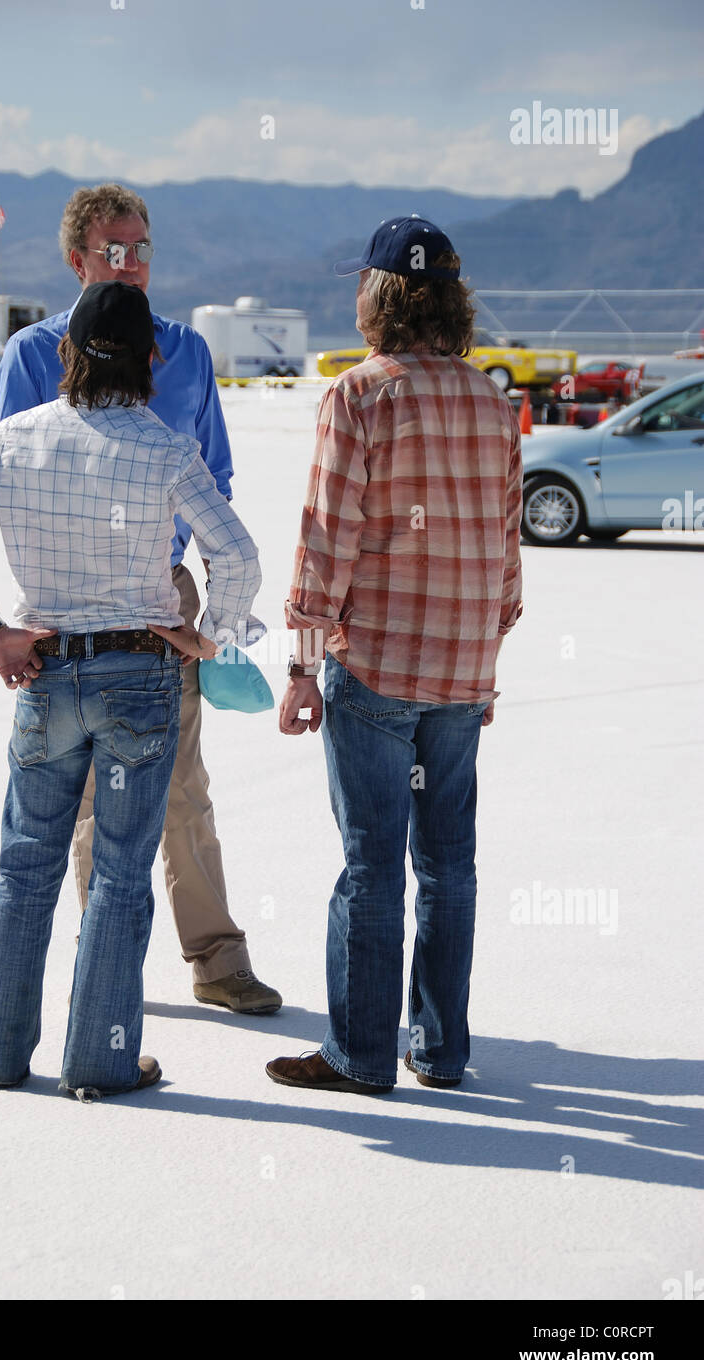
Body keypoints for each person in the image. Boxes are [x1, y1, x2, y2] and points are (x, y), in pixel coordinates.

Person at [0, 282, 263, 1101]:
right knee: (119, 875)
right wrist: (209, 636)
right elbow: (238, 555)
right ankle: (101, 1059)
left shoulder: (16, 438)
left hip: (43, 672)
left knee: (24, 869)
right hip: (140, 678)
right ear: (150, 360)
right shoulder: (167, 448)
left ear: (66, 352)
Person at [0, 183, 281, 1014]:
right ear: (76, 260)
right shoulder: (32, 353)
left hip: (166, 596)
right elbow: (17, 475)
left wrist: (180, 576)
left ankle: (217, 960)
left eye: (142, 247)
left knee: (183, 784)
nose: (131, 264)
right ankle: (106, 962)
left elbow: (216, 473)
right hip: (66, 602)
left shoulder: (187, 352)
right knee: (85, 792)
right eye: (114, 250)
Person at [267, 215, 523, 1095]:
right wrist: (487, 653)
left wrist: (301, 665)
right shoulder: (494, 401)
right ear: (453, 302)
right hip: (461, 670)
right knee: (450, 867)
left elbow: (325, 540)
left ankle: (359, 1056)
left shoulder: (358, 395)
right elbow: (505, 547)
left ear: (377, 295)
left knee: (372, 866)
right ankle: (442, 1050)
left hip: (374, 664)